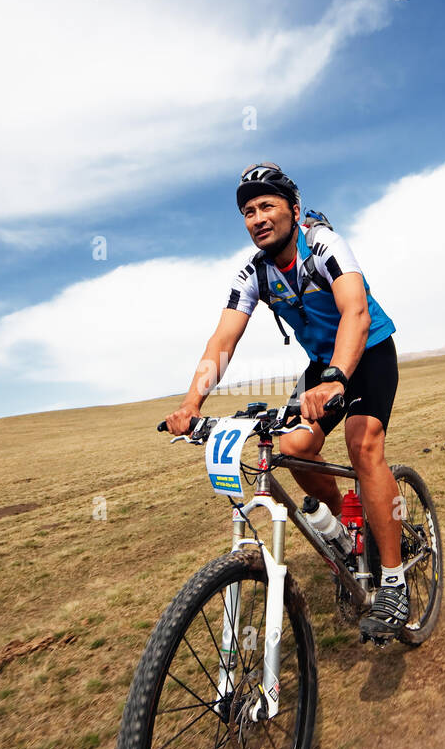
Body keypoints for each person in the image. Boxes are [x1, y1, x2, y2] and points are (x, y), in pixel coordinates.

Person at [165, 161, 409, 640]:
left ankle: (395, 581)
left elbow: (355, 312)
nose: (257, 217)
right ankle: (344, 528)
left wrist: (338, 378)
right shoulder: (252, 273)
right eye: (248, 211)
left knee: (364, 447)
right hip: (321, 366)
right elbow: (223, 342)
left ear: (293, 211)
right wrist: (191, 404)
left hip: (368, 350)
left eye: (267, 206)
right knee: (292, 447)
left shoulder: (324, 245)